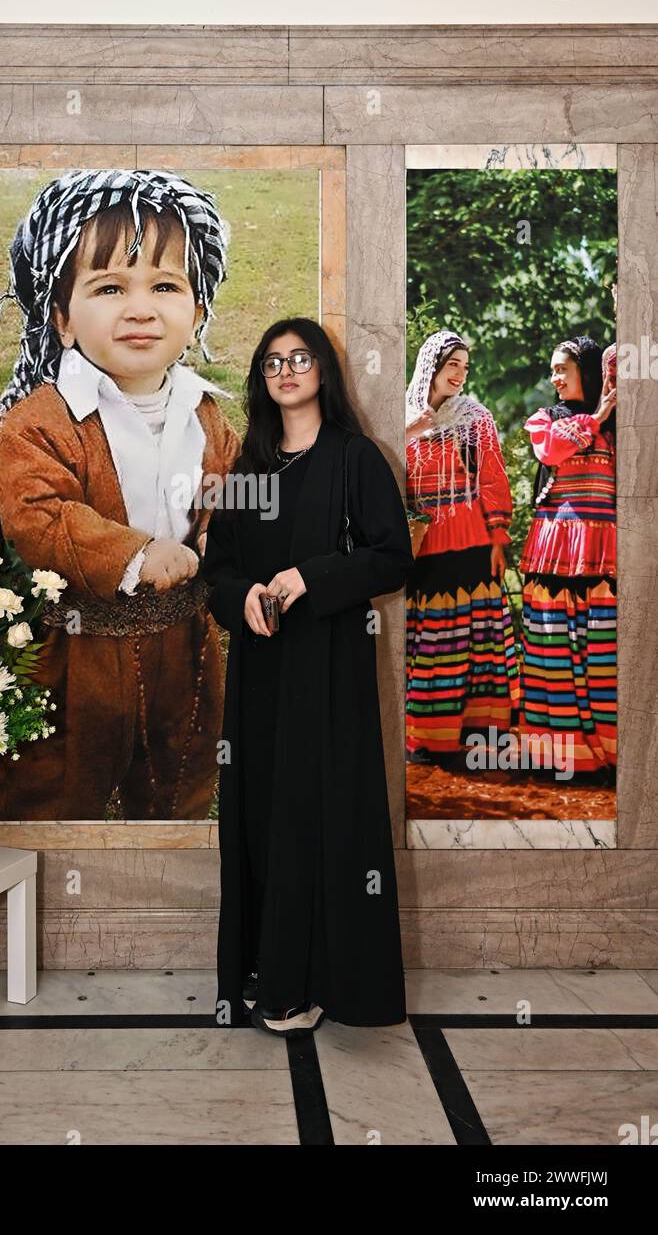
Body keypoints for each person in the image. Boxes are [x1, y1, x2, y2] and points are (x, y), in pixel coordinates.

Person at [0, 168, 242, 820]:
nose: (140, 308)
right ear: (60, 317)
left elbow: (229, 490)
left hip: (183, 643)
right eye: (110, 286)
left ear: (197, 310)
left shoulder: (206, 415)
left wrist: (218, 534)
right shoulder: (38, 421)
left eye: (165, 286)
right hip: (74, 650)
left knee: (182, 775)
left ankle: (164, 878)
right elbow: (40, 514)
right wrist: (137, 553)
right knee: (49, 786)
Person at [201, 317, 413, 1037]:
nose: (286, 371)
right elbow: (216, 574)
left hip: (330, 669)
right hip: (261, 670)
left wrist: (308, 579)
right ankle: (267, 975)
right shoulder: (247, 470)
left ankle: (314, 982)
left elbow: (392, 557)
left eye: (300, 359)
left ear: (324, 369)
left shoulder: (358, 459)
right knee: (263, 819)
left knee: (319, 816)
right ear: (262, 380)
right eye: (271, 363)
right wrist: (245, 599)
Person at [404, 330, 520, 765]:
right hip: (424, 542)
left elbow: (491, 478)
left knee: (476, 639)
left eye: (465, 367)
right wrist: (409, 432)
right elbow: (375, 471)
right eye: (453, 364)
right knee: (431, 640)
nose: (459, 374)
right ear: (432, 365)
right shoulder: (403, 414)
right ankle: (431, 739)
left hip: (472, 538)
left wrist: (498, 539)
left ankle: (479, 737)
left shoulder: (476, 418)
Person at [519, 335, 617, 781]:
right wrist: (596, 417)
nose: (554, 378)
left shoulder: (622, 426)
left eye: (563, 368)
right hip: (556, 546)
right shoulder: (548, 420)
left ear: (588, 370)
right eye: (553, 369)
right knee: (553, 646)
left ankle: (609, 750)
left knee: (603, 649)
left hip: (604, 551)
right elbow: (550, 450)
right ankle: (560, 753)